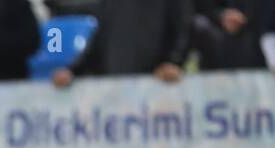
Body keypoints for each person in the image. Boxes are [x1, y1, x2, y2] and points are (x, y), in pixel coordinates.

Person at [52, 0, 193, 86]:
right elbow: (98, 42)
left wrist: (173, 63)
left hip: (159, 88)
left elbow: (184, 31)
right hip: (117, 92)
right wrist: (72, 71)